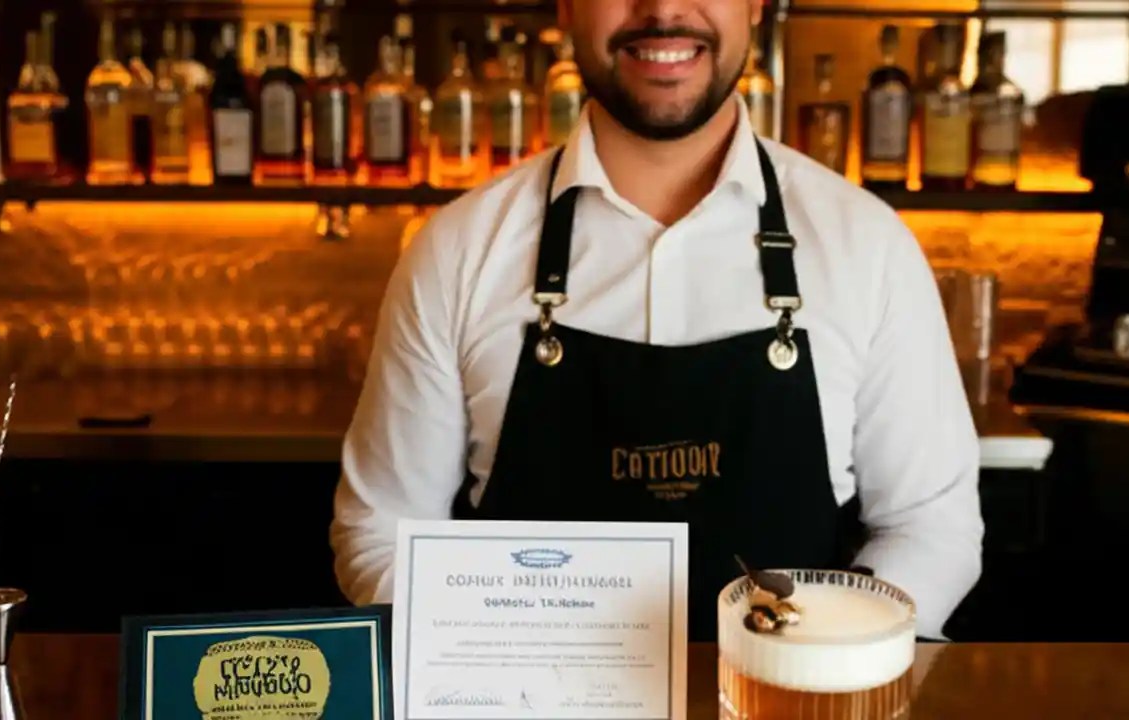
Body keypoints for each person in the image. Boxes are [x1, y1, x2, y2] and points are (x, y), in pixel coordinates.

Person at [331, 0, 983, 641]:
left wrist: (815, 662)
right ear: (566, 8)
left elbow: (931, 526)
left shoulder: (866, 245)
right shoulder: (459, 251)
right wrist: (489, 663)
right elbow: (383, 529)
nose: (664, 9)